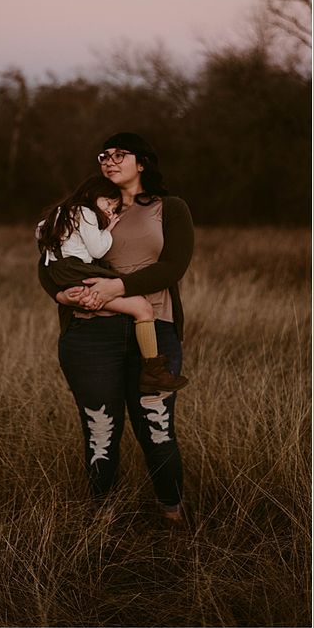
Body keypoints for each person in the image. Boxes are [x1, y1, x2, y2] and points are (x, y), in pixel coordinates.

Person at [37, 132, 196, 524]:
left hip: (154, 330)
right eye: (103, 154)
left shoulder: (169, 207)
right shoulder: (84, 208)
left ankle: (173, 514)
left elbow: (173, 266)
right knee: (100, 432)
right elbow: (49, 262)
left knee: (156, 432)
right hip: (90, 335)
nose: (108, 159)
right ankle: (103, 523)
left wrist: (118, 286)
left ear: (141, 163)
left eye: (119, 154)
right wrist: (62, 297)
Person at [36, 174, 189, 392]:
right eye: (108, 204)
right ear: (91, 195)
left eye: (114, 208)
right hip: (77, 270)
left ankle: (95, 378)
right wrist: (107, 230)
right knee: (143, 308)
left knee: (98, 295)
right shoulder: (86, 212)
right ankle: (153, 371)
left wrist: (62, 289)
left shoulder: (60, 213)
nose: (109, 211)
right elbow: (98, 249)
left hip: (64, 272)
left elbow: (40, 233)